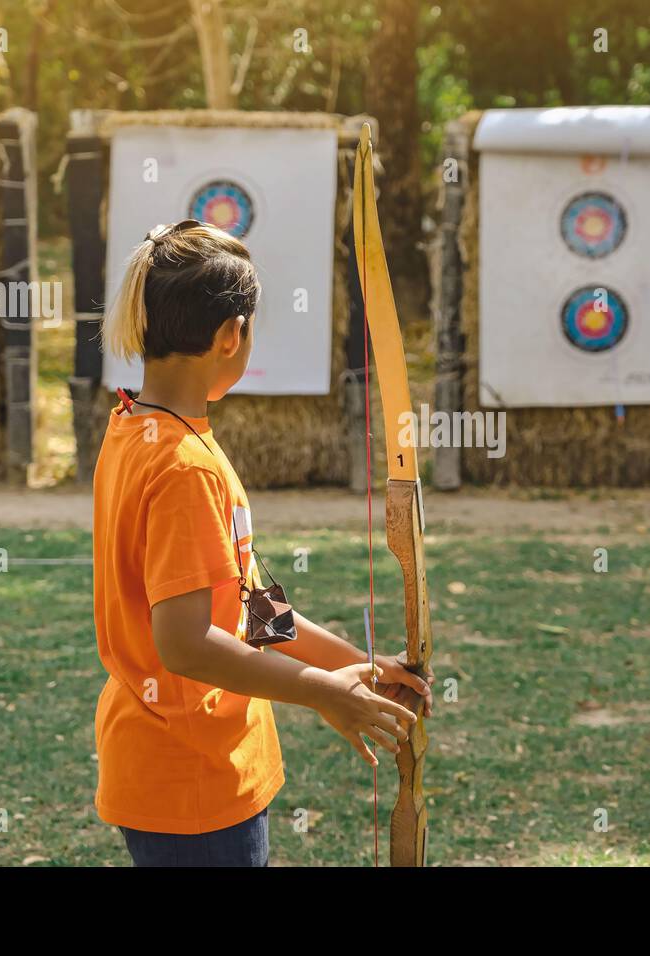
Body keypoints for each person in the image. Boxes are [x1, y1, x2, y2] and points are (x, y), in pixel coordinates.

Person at [91, 220, 431, 866]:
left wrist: (346, 665)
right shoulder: (183, 465)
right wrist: (324, 692)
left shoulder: (141, 430)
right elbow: (185, 641)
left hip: (190, 765)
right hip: (192, 778)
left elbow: (242, 599)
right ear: (230, 335)